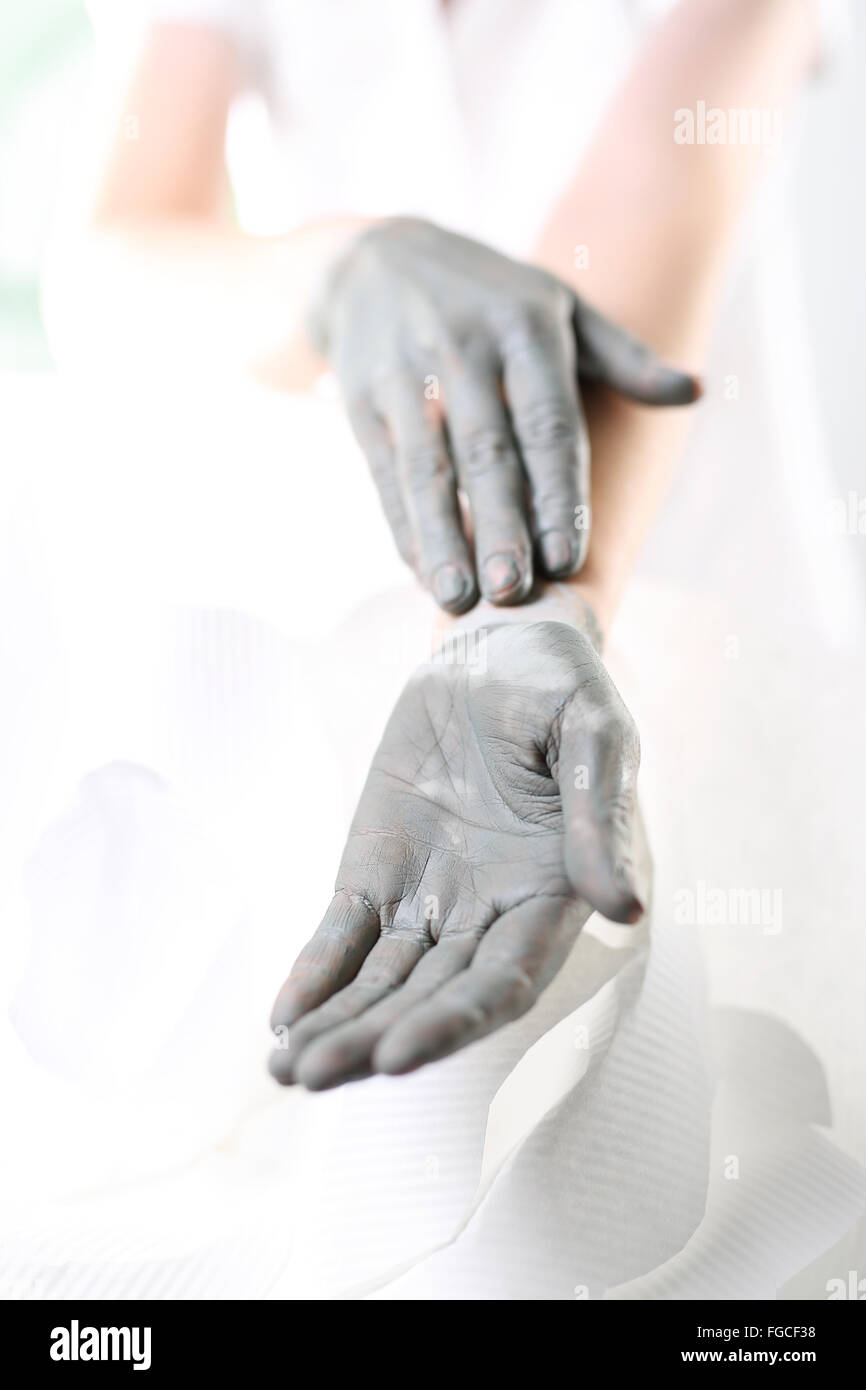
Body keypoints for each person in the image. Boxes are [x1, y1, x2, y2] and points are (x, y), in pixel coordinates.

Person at [28, 0, 864, 1298]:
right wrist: (331, 275)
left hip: (681, 632)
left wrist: (521, 616)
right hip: (374, 681)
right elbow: (112, 265)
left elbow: (657, 198)